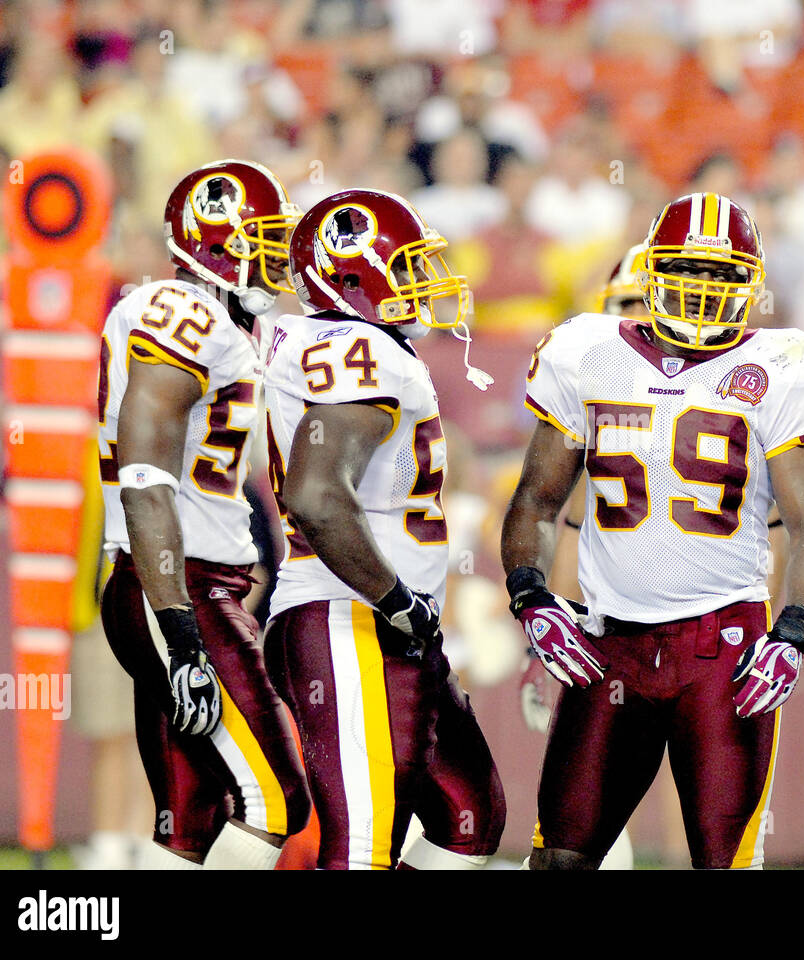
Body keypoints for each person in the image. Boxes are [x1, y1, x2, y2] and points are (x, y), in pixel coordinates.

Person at [502, 192, 804, 870]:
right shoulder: (586, 350)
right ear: (650, 270)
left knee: (725, 861)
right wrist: (531, 595)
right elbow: (537, 503)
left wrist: (794, 630)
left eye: (723, 275)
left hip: (726, 649)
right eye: (690, 268)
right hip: (609, 643)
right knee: (559, 861)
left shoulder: (783, 366)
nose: (703, 289)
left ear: (752, 284)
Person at [263, 188, 504, 870]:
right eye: (407, 267)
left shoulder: (347, 344)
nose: (423, 283)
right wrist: (394, 599)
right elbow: (314, 494)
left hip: (378, 617)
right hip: (350, 614)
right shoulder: (358, 352)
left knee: (468, 818)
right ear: (352, 277)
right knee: (362, 849)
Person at [98, 159, 310, 868]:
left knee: (188, 821)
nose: (278, 257)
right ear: (215, 241)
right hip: (173, 582)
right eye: (265, 239)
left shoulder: (222, 322)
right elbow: (146, 477)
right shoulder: (183, 314)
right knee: (275, 800)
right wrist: (180, 630)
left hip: (176, 578)